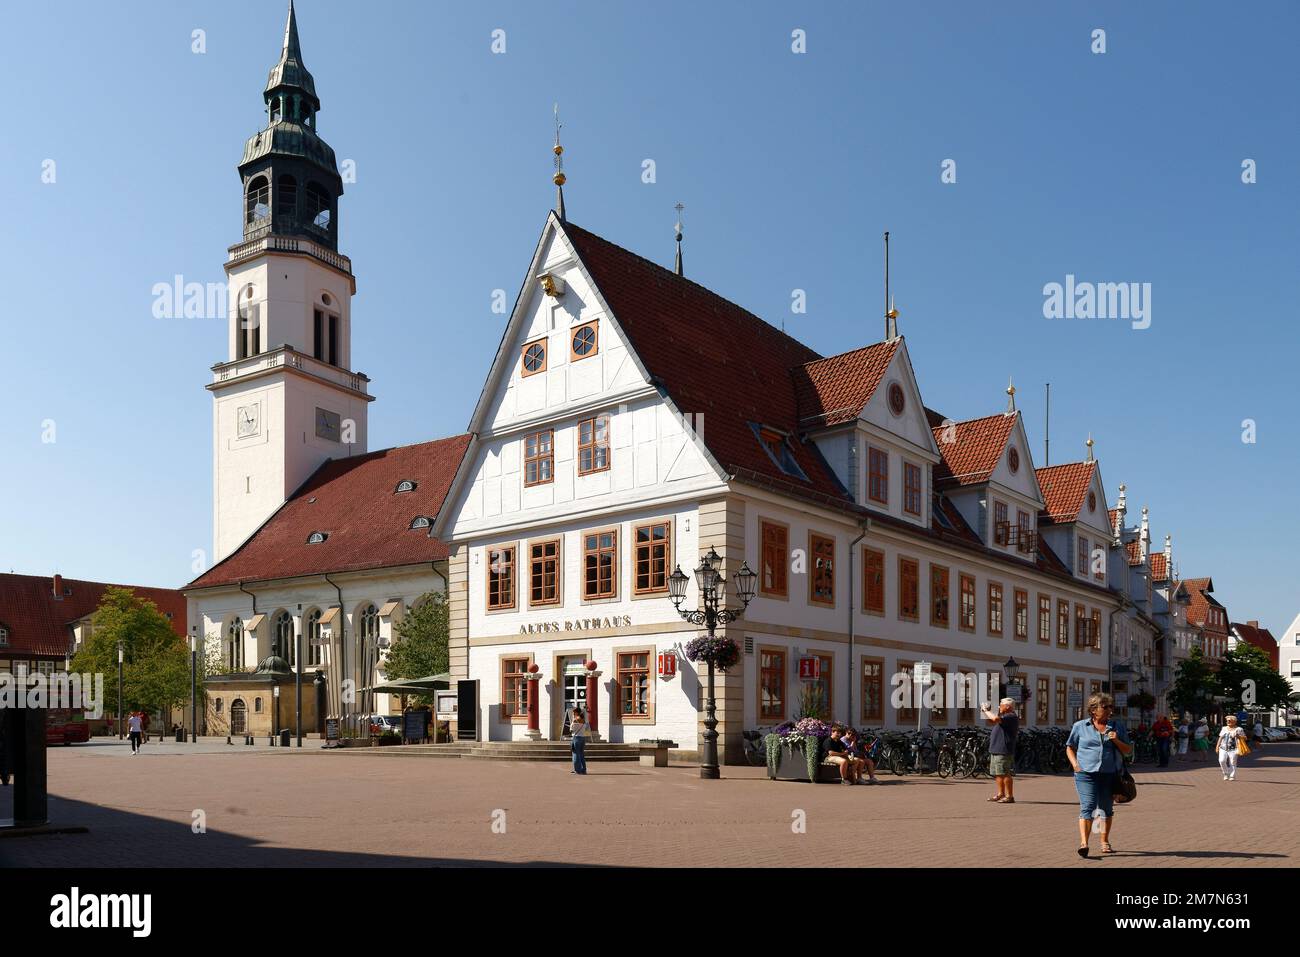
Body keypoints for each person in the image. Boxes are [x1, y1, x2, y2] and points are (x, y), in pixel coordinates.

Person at [1066, 692, 1132, 858]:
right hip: (1085, 774)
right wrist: (1075, 764)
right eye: (1106, 707)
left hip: (1109, 774)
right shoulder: (1080, 726)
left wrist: (1116, 740)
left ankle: (1104, 840)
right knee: (1087, 807)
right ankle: (1084, 843)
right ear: (1094, 709)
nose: (1110, 710)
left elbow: (1128, 751)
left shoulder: (1117, 727)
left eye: (1111, 706)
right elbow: (1070, 747)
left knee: (1105, 809)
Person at [983, 698, 1019, 804]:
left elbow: (994, 719)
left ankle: (1009, 796)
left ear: (1008, 706)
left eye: (1001, 705)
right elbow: (991, 720)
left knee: (1005, 773)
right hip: (996, 748)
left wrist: (986, 711)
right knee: (998, 773)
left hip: (1003, 749)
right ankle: (1001, 794)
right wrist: (986, 712)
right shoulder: (1004, 717)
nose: (999, 706)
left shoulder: (1011, 716)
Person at [1217, 715, 1247, 781]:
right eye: (1227, 721)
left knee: (1233, 762)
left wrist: (1238, 736)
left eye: (1229, 721)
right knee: (1221, 760)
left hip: (1234, 748)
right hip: (1223, 748)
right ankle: (1225, 773)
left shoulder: (1239, 729)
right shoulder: (1224, 728)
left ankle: (1232, 775)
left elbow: (1245, 738)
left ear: (1234, 721)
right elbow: (1220, 737)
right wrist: (1217, 746)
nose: (1228, 722)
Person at [569, 708, 589, 775]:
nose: (573, 714)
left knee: (575, 754)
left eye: (573, 712)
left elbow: (571, 730)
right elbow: (585, 728)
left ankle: (577, 770)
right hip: (583, 738)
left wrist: (572, 719)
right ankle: (583, 770)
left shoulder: (575, 720)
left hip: (576, 738)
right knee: (581, 754)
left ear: (576, 712)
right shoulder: (583, 719)